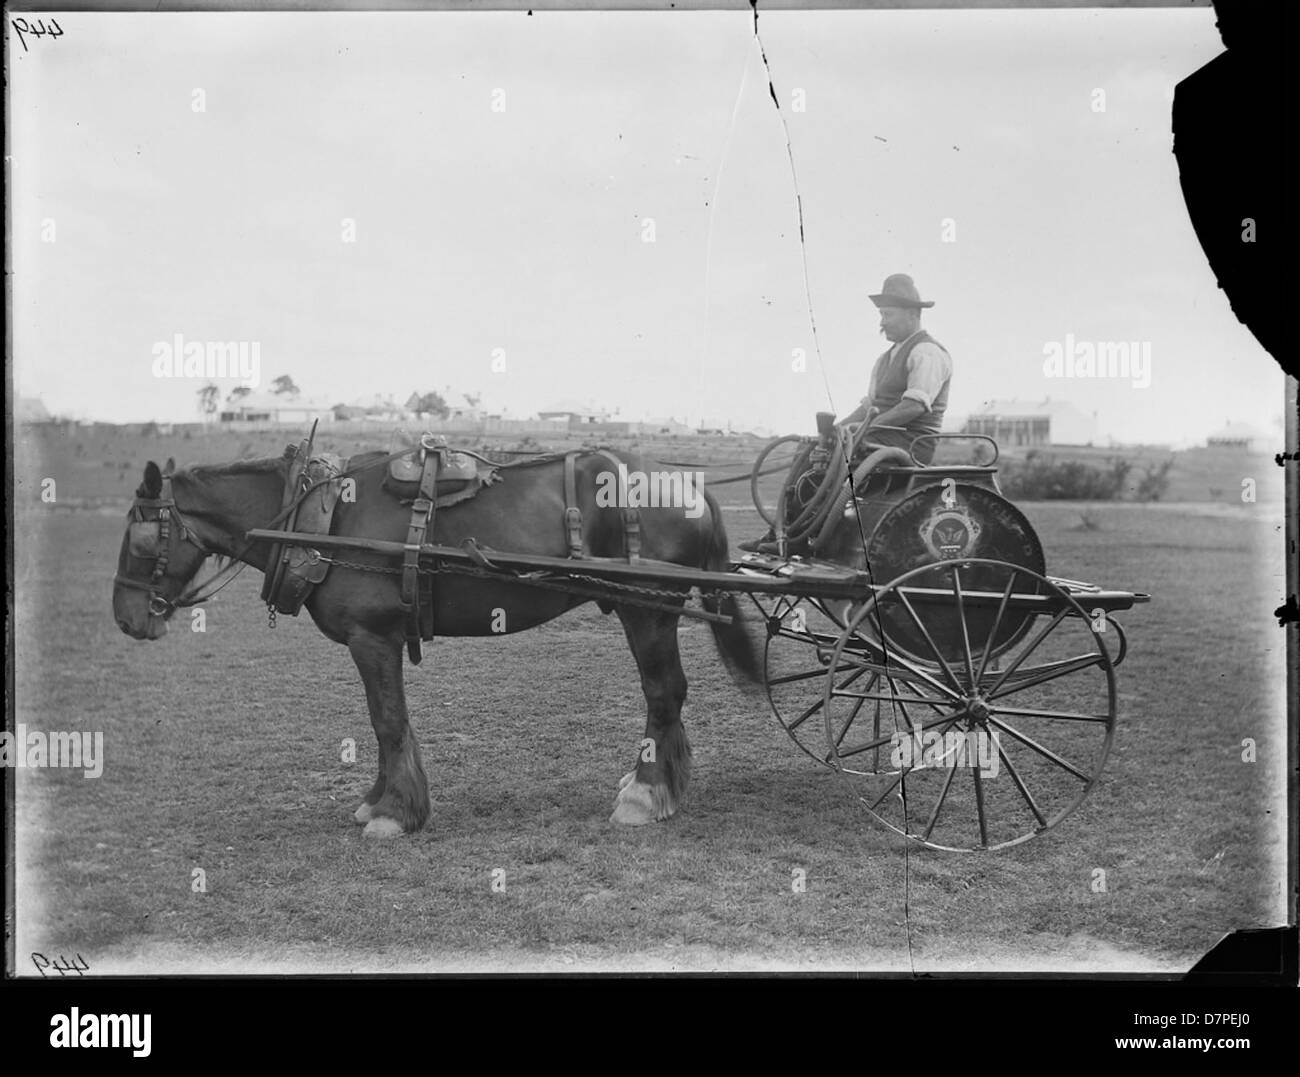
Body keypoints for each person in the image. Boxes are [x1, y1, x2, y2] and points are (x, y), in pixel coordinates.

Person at [836, 273, 951, 467]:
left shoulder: (927, 352)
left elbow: (914, 406)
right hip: (882, 438)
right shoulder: (883, 359)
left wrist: (866, 428)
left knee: (839, 453)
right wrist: (835, 429)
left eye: (888, 315)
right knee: (819, 448)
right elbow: (868, 408)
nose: (882, 322)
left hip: (911, 444)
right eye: (881, 315)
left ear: (912, 315)